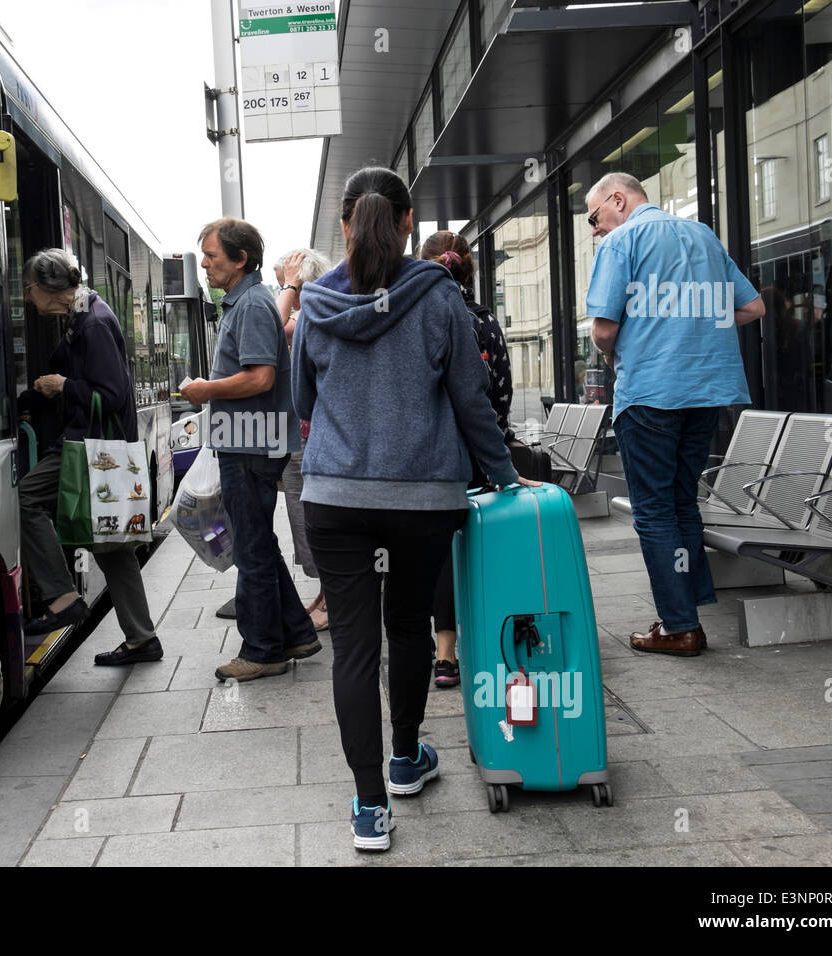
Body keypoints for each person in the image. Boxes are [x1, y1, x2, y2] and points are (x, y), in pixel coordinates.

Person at [293, 166, 539, 851]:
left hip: (335, 497)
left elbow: (304, 406)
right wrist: (503, 476)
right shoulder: (440, 297)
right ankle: (406, 759)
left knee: (353, 647)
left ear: (345, 223)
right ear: (407, 223)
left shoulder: (313, 304)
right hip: (423, 499)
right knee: (409, 628)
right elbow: (470, 400)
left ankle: (369, 807)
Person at [584, 171, 765, 657]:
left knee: (654, 510)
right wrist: (693, 329)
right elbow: (752, 307)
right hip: (706, 392)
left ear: (617, 200)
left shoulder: (622, 241)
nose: (594, 228)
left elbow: (603, 330)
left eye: (594, 216)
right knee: (683, 502)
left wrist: (639, 343)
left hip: (650, 393)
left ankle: (680, 626)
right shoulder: (702, 235)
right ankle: (687, 612)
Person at [180, 218, 320, 683]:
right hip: (247, 441)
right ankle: (297, 633)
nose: (204, 264)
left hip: (251, 446)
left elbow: (260, 377)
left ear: (240, 260)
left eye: (213, 256)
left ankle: (263, 651)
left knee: (252, 551)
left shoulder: (254, 305)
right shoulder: (247, 302)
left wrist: (206, 389)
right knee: (258, 545)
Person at [16, 248, 162, 665]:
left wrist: (64, 386)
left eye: (29, 289)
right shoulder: (84, 314)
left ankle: (63, 597)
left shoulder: (94, 322)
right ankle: (142, 639)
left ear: (49, 287)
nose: (28, 299)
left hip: (90, 448)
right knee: (112, 546)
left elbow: (113, 396)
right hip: (97, 446)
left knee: (26, 497)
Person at [418, 231, 514, 689]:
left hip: (434, 457)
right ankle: (497, 636)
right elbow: (500, 395)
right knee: (483, 544)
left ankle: (445, 655)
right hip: (480, 454)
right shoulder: (486, 320)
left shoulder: (421, 318)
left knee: (437, 553)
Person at [276, 248, 332, 630]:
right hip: (305, 435)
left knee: (316, 521)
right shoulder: (310, 314)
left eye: (287, 285)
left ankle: (334, 599)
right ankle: (327, 594)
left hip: (314, 439)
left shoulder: (307, 317)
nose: (282, 292)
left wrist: (289, 284)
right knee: (307, 520)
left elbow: (272, 332)